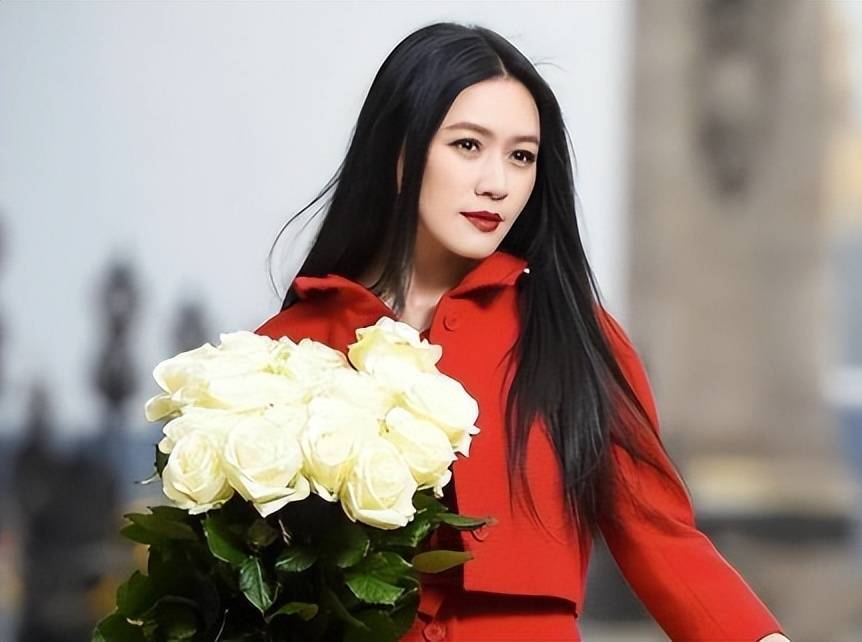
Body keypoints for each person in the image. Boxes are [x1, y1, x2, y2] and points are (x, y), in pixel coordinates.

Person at [254, 22, 791, 642]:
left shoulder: (575, 337)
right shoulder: (284, 349)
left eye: (521, 156)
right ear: (397, 148)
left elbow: (659, 535)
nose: (497, 183)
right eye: (467, 145)